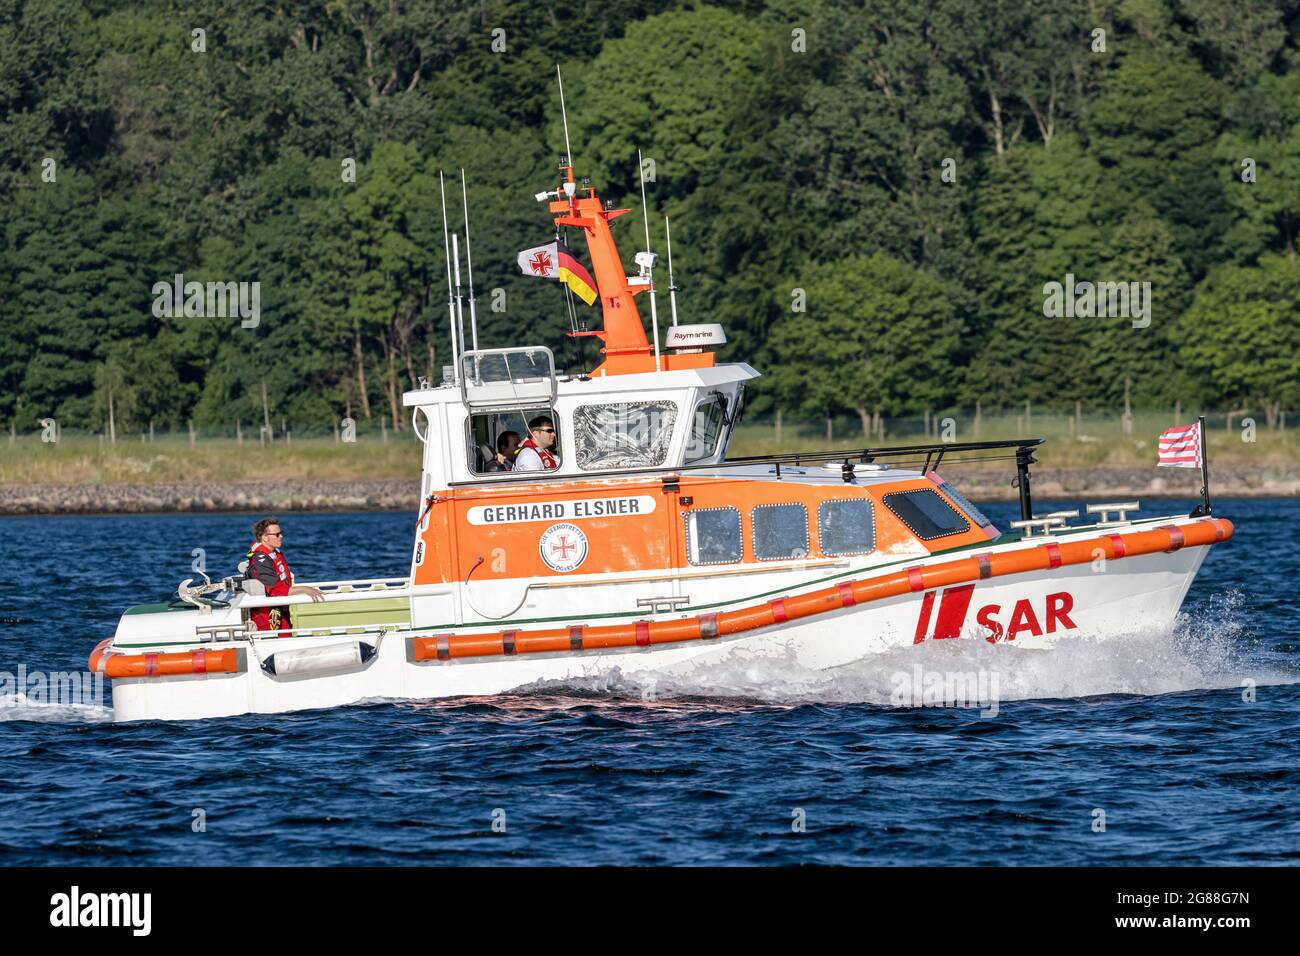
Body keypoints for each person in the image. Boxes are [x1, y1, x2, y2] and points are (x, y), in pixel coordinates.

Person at [242, 517, 324, 632]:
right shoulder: (261, 560)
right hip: (269, 615)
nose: (281, 536)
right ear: (265, 537)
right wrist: (305, 589)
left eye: (281, 533)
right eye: (277, 534)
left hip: (281, 608)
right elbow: (277, 590)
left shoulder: (273, 553)